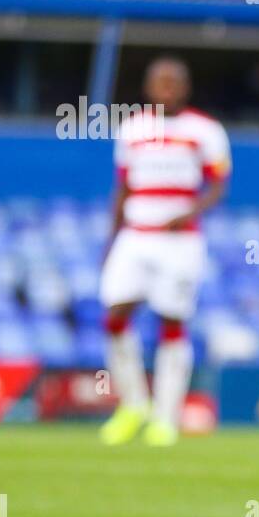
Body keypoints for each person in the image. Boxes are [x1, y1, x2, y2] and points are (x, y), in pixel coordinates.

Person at [97, 57, 230, 447]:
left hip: (180, 240)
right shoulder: (133, 128)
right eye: (160, 81)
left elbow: (218, 186)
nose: (166, 88)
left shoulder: (205, 130)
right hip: (135, 235)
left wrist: (189, 212)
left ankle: (165, 418)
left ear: (185, 88)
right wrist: (112, 238)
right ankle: (134, 403)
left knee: (171, 321)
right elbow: (122, 188)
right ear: (148, 87)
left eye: (174, 82)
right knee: (115, 314)